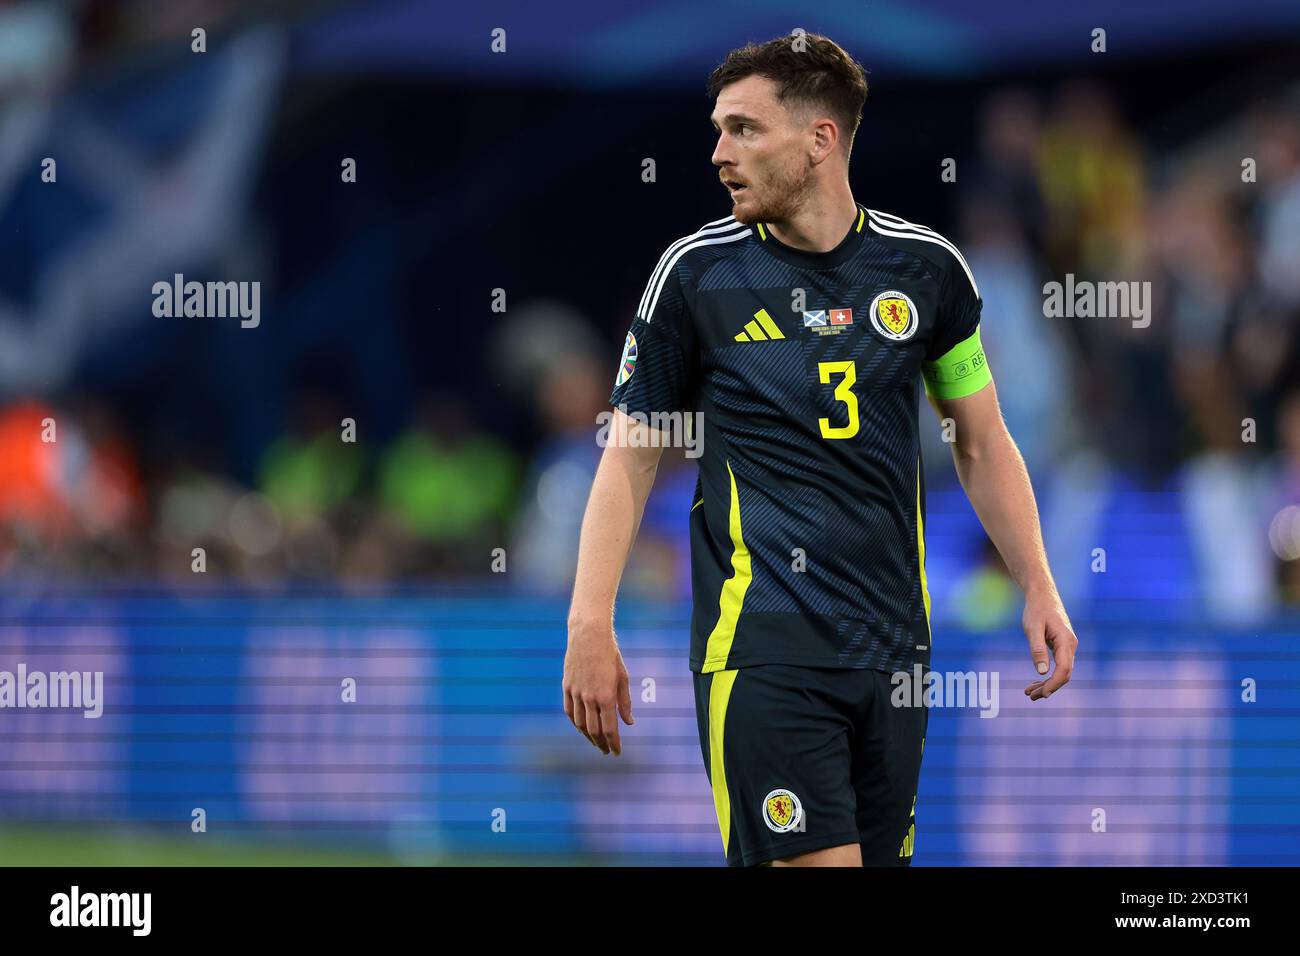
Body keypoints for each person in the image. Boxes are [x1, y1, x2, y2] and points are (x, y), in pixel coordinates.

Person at [563, 33, 1077, 867]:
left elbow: (982, 443)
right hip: (764, 650)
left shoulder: (926, 271)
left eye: (743, 130)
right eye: (719, 130)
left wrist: (1039, 584)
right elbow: (627, 457)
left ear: (820, 139)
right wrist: (591, 621)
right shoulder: (696, 276)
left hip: (895, 656)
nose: (719, 153)